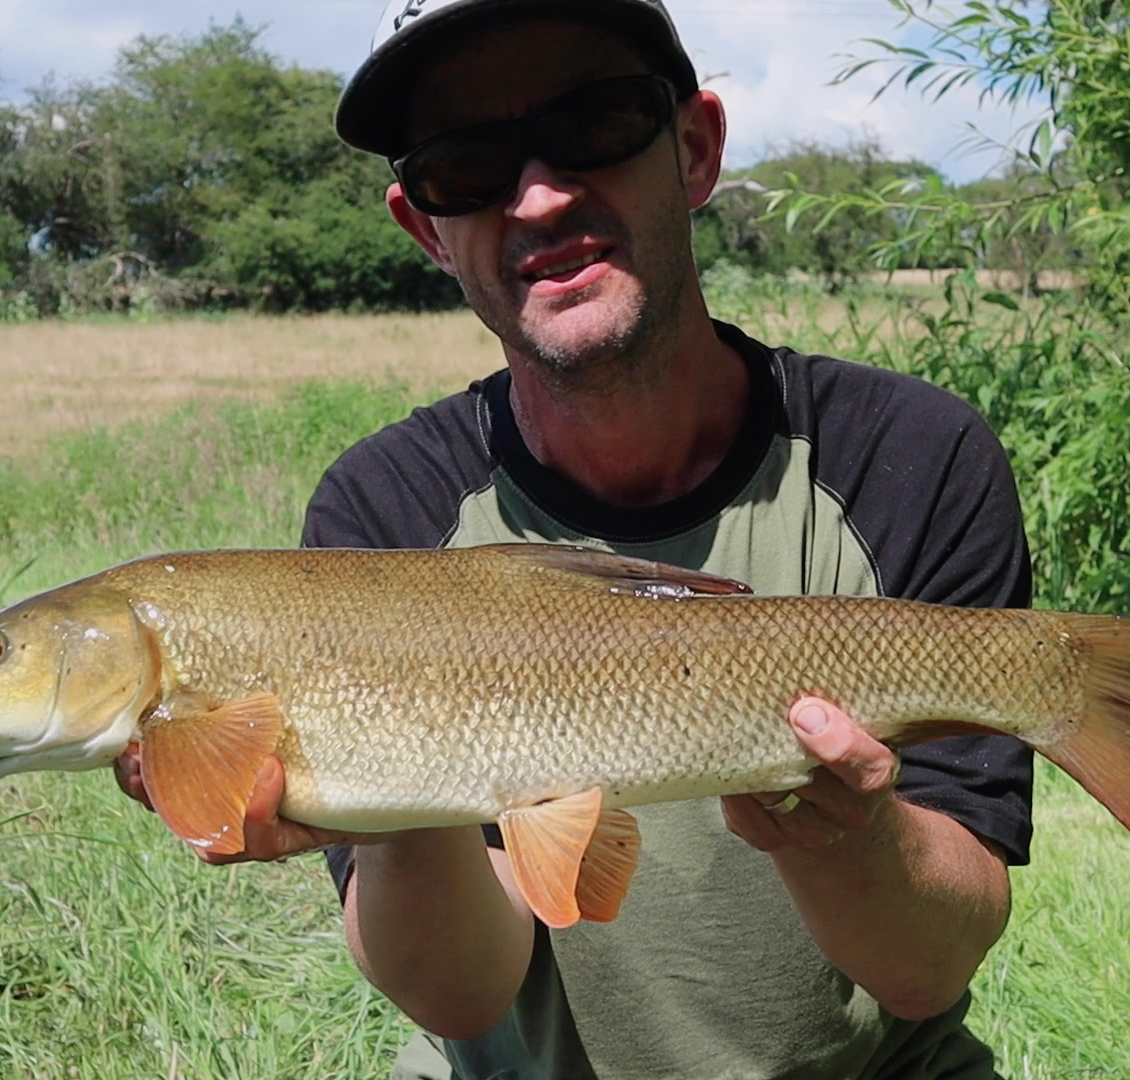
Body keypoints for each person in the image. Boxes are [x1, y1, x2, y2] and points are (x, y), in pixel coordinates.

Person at [118, 1, 1034, 1075]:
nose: (541, 196)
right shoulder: (384, 514)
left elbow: (930, 968)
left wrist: (852, 835)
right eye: (470, 164)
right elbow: (461, 996)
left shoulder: (910, 454)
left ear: (694, 150)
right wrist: (392, 809)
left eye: (596, 122)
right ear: (425, 228)